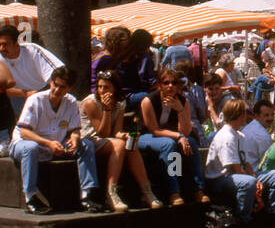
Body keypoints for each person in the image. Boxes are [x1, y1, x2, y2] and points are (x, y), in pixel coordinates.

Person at [12, 67, 101, 215]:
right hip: (25, 145)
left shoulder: (71, 102)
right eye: (55, 84)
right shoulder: (35, 100)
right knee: (31, 147)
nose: (57, 90)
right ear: (51, 82)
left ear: (69, 88)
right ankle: (30, 198)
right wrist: (48, 144)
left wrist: (74, 140)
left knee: (86, 145)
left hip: (55, 145)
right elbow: (24, 132)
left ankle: (87, 195)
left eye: (62, 87)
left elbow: (74, 130)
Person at [204, 99, 275, 228]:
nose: (246, 116)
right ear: (238, 115)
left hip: (235, 176)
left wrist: (255, 178)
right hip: (220, 179)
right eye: (244, 114)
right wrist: (255, 183)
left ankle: (271, 216)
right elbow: (235, 168)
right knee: (248, 182)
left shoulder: (239, 135)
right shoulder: (226, 136)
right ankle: (244, 220)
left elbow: (246, 163)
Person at [80, 70, 162, 212]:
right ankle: (111, 193)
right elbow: (102, 132)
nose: (102, 90)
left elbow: (116, 131)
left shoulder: (119, 102)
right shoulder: (90, 103)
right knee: (119, 145)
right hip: (90, 141)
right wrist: (106, 110)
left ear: (115, 88)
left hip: (107, 141)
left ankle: (146, 191)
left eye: (106, 87)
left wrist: (125, 136)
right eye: (100, 87)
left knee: (131, 144)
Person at [138, 69, 210, 206]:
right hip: (146, 136)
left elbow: (186, 131)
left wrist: (180, 110)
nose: (170, 86)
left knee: (191, 143)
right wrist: (179, 136)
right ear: (160, 85)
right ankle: (174, 191)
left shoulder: (183, 102)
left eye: (174, 83)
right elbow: (154, 129)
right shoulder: (149, 101)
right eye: (166, 83)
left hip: (171, 136)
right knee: (169, 144)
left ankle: (198, 189)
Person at [0, 24, 63, 138]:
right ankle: (6, 137)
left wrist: (41, 94)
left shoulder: (32, 50)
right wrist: (26, 93)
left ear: (16, 44)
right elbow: (4, 87)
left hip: (44, 92)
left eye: (5, 44)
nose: (1, 48)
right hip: (17, 96)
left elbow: (58, 72)